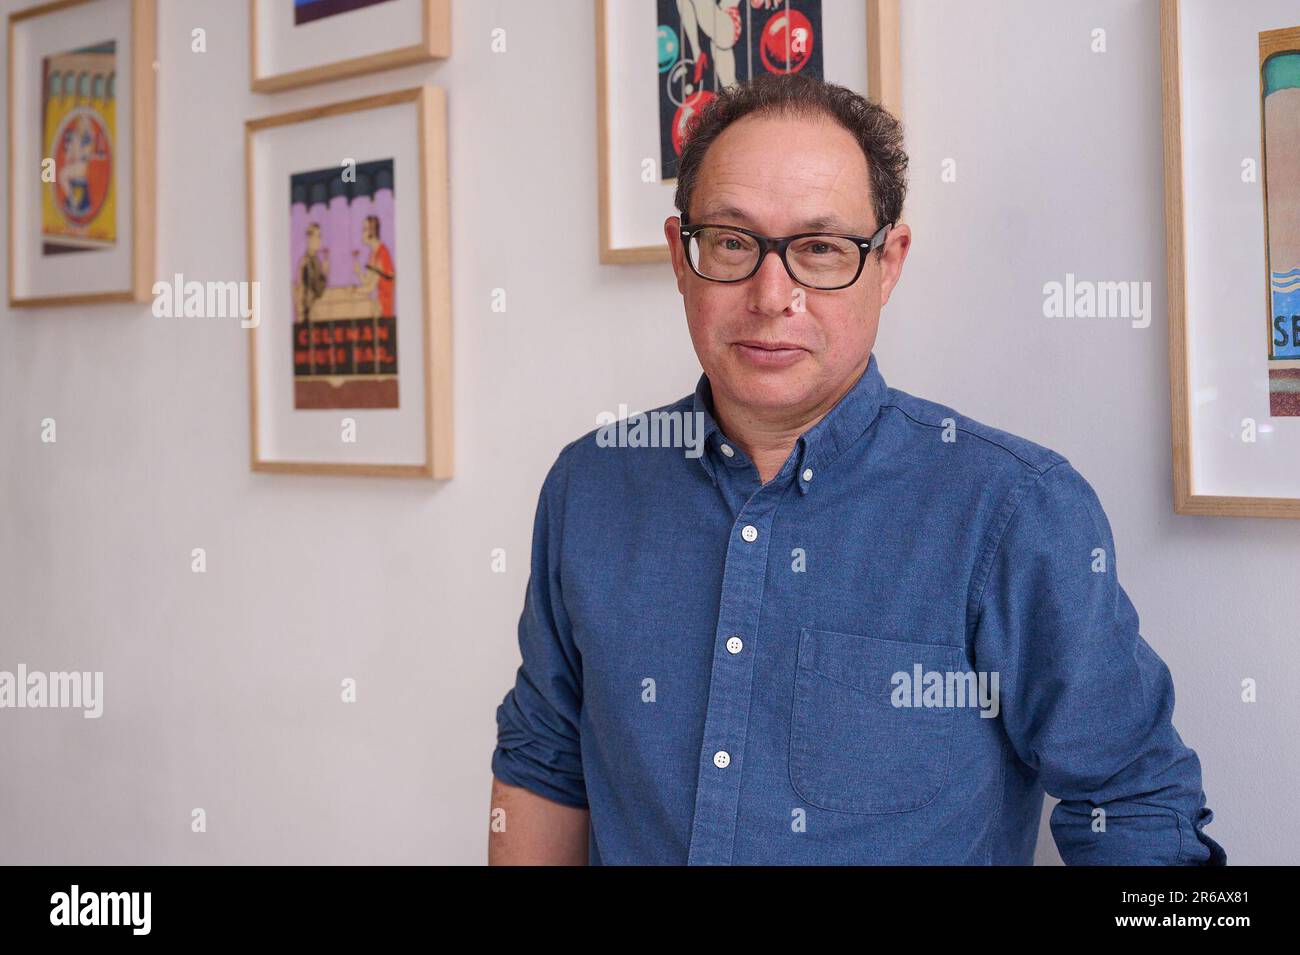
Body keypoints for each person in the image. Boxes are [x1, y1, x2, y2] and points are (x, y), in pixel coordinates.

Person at [489, 73, 1224, 866]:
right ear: (681, 255)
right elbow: (545, 759)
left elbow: (1136, 806)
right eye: (733, 242)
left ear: (889, 262)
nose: (773, 296)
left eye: (820, 248)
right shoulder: (589, 487)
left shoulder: (1012, 510)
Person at [354, 215, 394, 319]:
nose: (362, 234)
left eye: (364, 230)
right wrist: (358, 272)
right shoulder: (373, 253)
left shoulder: (382, 253)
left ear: (372, 232)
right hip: (375, 303)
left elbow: (370, 287)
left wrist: (354, 291)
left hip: (383, 307)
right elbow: (366, 281)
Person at [294, 222, 329, 323]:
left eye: (320, 237)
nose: (319, 241)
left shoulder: (315, 260)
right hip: (307, 313)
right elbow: (318, 290)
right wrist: (325, 273)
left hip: (311, 309)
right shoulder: (307, 262)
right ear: (309, 239)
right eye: (317, 237)